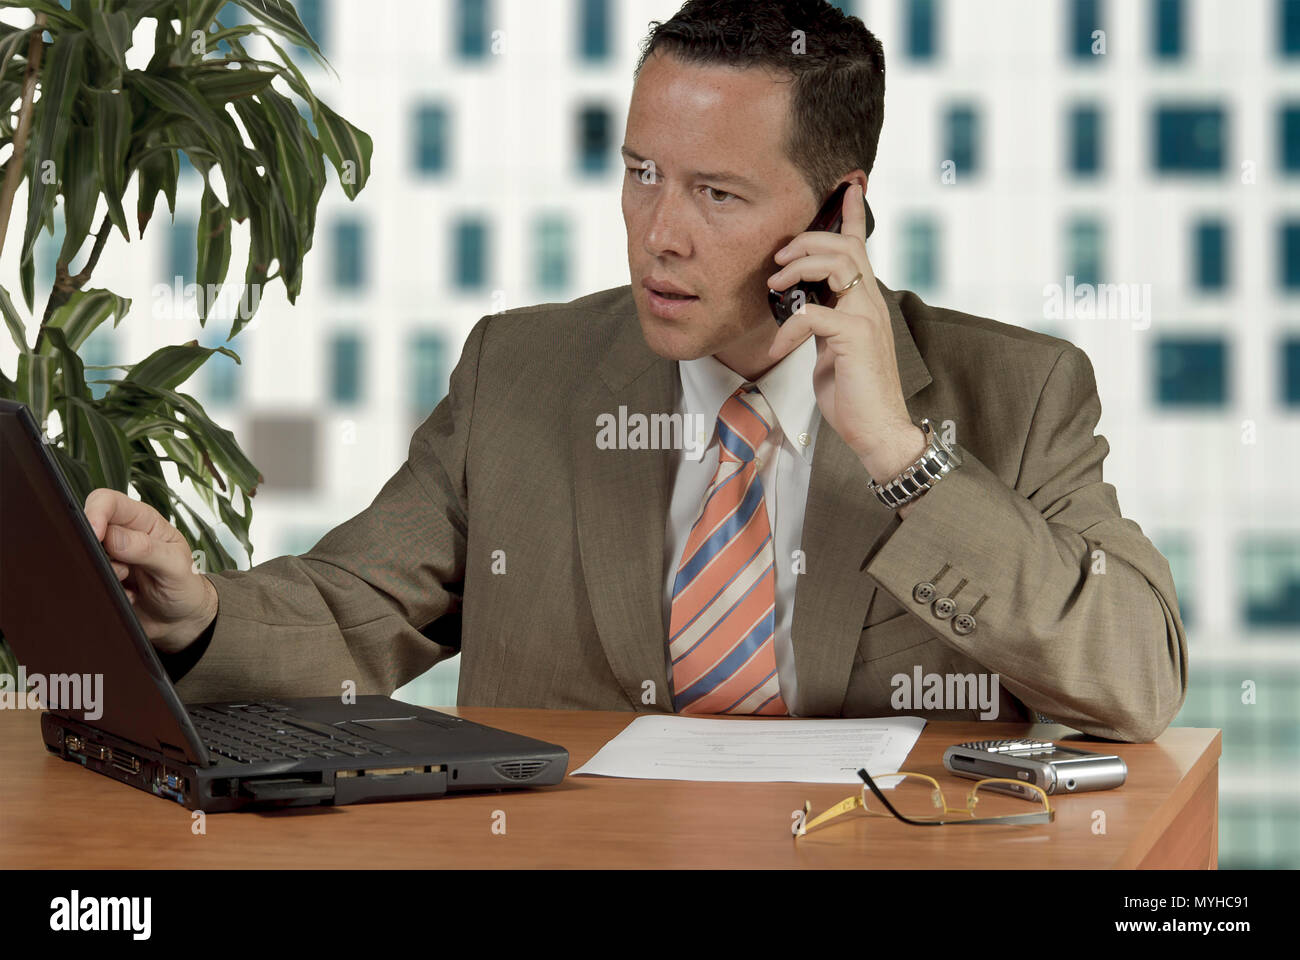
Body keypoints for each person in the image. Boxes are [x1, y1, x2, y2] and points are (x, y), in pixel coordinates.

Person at [84, 0, 1186, 741]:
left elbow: (1135, 682)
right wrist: (198, 615)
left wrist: (898, 454)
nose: (657, 232)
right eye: (641, 173)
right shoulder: (520, 368)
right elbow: (359, 607)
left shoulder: (1019, 391)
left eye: (715, 194)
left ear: (839, 209)